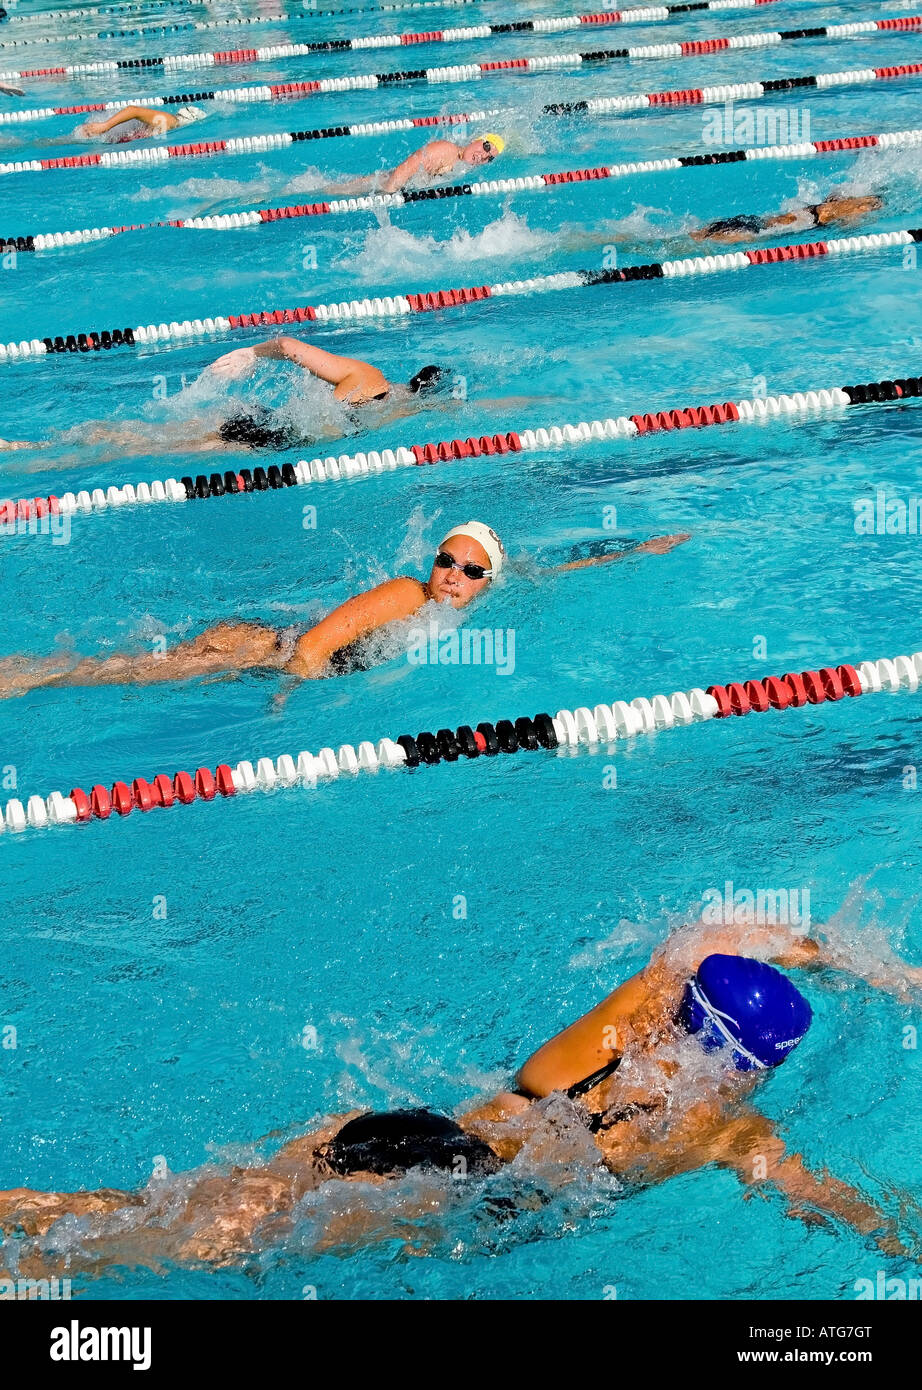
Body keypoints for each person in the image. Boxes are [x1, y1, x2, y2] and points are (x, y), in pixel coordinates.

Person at [2, 913, 918, 1277]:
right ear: (757, 1066)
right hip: (454, 1189)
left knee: (166, 1207)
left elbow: (700, 936)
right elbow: (831, 1206)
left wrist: (818, 948)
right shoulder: (730, 1132)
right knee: (157, 1254)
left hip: (411, 1129)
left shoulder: (627, 1019)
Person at [0, 522, 689, 697]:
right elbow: (321, 641)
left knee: (122, 667)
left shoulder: (468, 603)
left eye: (469, 570)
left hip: (271, 654)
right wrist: (288, 699)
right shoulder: (408, 593)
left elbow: (547, 575)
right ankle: (21, 676)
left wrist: (636, 553)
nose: (451, 574)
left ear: (487, 582)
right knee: (118, 673)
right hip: (261, 651)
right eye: (445, 560)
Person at [0, 338, 472, 461]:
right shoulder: (382, 393)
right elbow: (286, 347)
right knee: (147, 445)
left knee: (149, 439)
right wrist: (247, 352)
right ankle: (30, 452)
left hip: (271, 426)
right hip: (272, 434)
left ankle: (31, 450)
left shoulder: (381, 388)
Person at [331, 132, 505, 195]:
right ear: (477, 140)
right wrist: (387, 194)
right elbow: (407, 167)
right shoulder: (446, 150)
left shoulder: (459, 163)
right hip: (381, 186)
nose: (483, 156)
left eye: (489, 158)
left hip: (386, 186)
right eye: (486, 146)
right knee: (336, 192)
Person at [690, 194, 882, 245]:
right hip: (754, 231)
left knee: (696, 236)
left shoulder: (837, 200)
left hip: (757, 221)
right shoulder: (858, 209)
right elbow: (848, 229)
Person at [80, 102, 208, 143]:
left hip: (113, 134)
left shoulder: (170, 125)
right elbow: (133, 110)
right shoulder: (172, 122)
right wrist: (105, 126)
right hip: (107, 129)